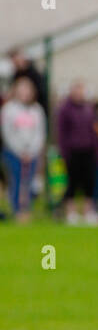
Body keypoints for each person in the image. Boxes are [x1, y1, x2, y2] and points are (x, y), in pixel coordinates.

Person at [1, 76, 46, 223]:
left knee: (28, 182)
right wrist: (19, 150)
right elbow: (7, 132)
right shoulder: (8, 109)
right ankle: (16, 211)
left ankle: (27, 210)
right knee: (16, 180)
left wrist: (32, 150)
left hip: (32, 152)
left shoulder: (37, 110)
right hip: (14, 152)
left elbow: (40, 132)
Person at [57, 81, 98, 225]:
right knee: (72, 182)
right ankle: (71, 213)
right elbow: (61, 133)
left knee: (89, 181)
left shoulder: (88, 109)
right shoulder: (65, 109)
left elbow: (94, 131)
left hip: (88, 150)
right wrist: (64, 152)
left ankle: (88, 212)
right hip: (73, 151)